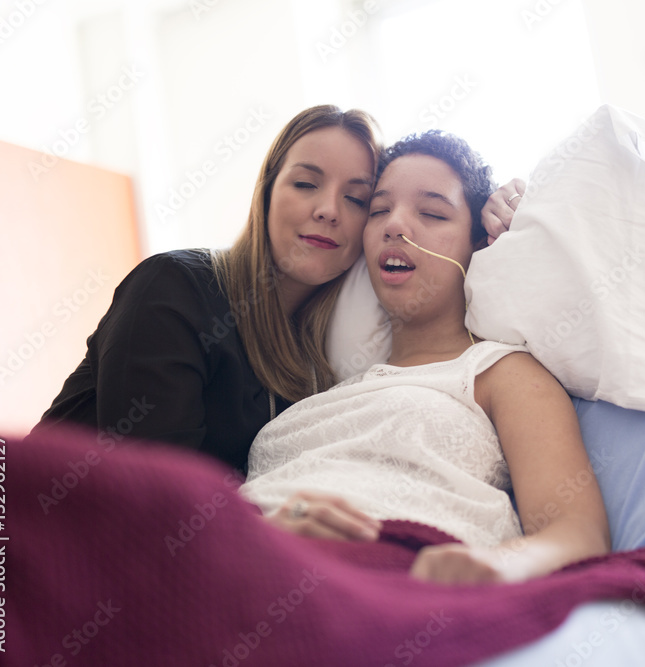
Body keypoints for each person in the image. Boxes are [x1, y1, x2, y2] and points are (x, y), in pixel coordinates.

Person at [31, 105, 525, 474]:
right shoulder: (176, 289)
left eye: (357, 199)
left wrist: (498, 211)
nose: (328, 210)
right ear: (267, 193)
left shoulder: (327, 360)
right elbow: (157, 490)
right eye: (306, 184)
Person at [241, 131, 610, 585]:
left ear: (476, 245)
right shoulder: (325, 390)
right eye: (378, 211)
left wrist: (499, 566)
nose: (394, 225)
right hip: (246, 563)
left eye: (433, 213)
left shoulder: (498, 372)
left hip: (391, 572)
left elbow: (578, 534)